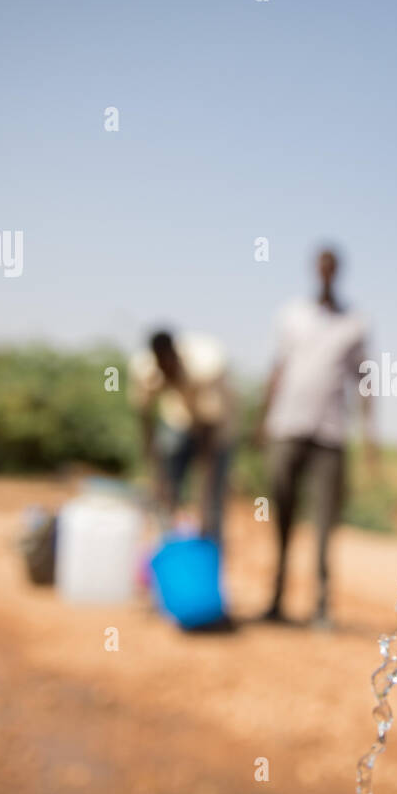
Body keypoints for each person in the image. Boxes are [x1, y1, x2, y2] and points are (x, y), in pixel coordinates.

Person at [257, 249, 376, 629]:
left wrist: (370, 435)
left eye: (332, 267)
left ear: (338, 271)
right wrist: (262, 421)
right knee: (283, 517)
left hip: (330, 433)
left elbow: (364, 380)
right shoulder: (291, 314)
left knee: (325, 522)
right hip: (286, 427)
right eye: (321, 266)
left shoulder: (355, 323)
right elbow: (277, 368)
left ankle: (321, 608)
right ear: (315, 270)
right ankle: (276, 602)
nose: (326, 273)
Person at [129, 330, 236, 547]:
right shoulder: (145, 371)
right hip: (178, 420)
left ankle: (210, 546)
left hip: (218, 427)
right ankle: (167, 544)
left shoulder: (207, 368)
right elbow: (145, 414)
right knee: (166, 487)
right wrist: (152, 457)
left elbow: (210, 430)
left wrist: (205, 479)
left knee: (212, 496)